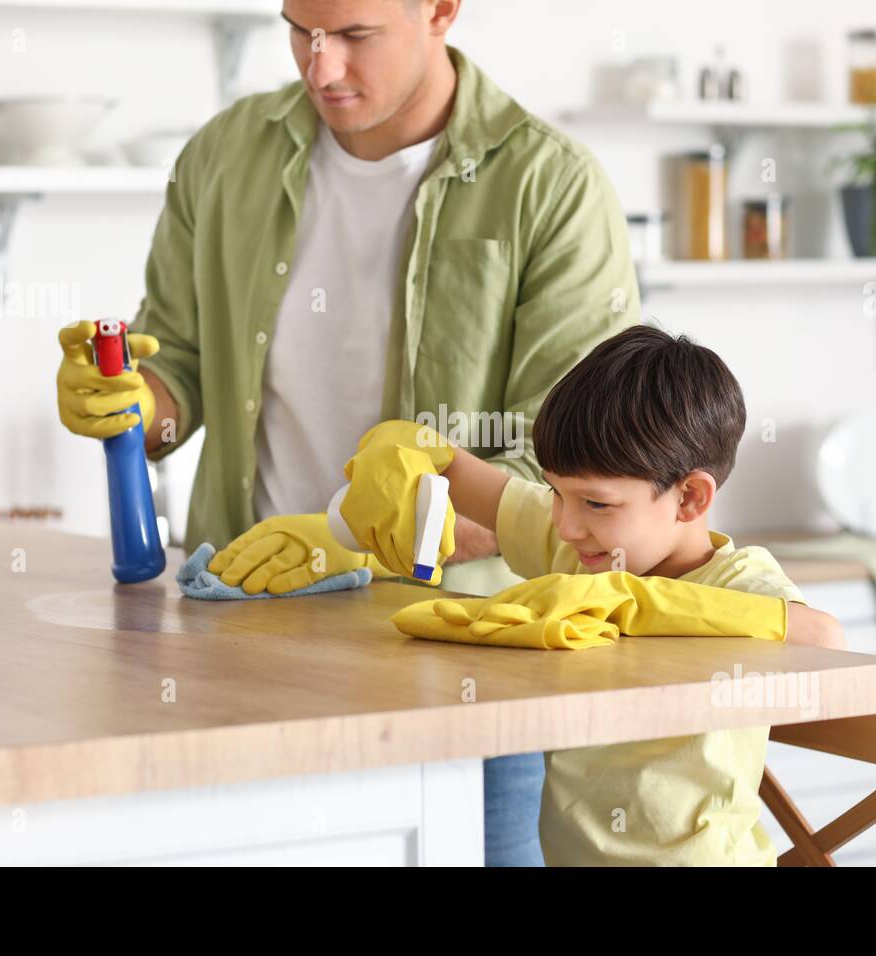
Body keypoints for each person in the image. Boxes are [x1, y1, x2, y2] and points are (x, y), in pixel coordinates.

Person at [54, 0, 638, 866]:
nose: (319, 68)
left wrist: (346, 538)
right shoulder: (223, 156)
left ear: (441, 10)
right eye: (299, 28)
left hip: (468, 661)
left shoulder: (553, 187)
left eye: (354, 35)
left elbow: (566, 479)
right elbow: (174, 362)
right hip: (238, 642)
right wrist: (131, 403)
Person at [336, 325, 848, 864]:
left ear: (690, 498)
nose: (565, 524)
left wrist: (634, 601)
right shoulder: (581, 548)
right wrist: (398, 443)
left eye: (596, 504)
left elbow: (826, 640)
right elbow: (455, 471)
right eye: (556, 493)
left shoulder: (737, 582)